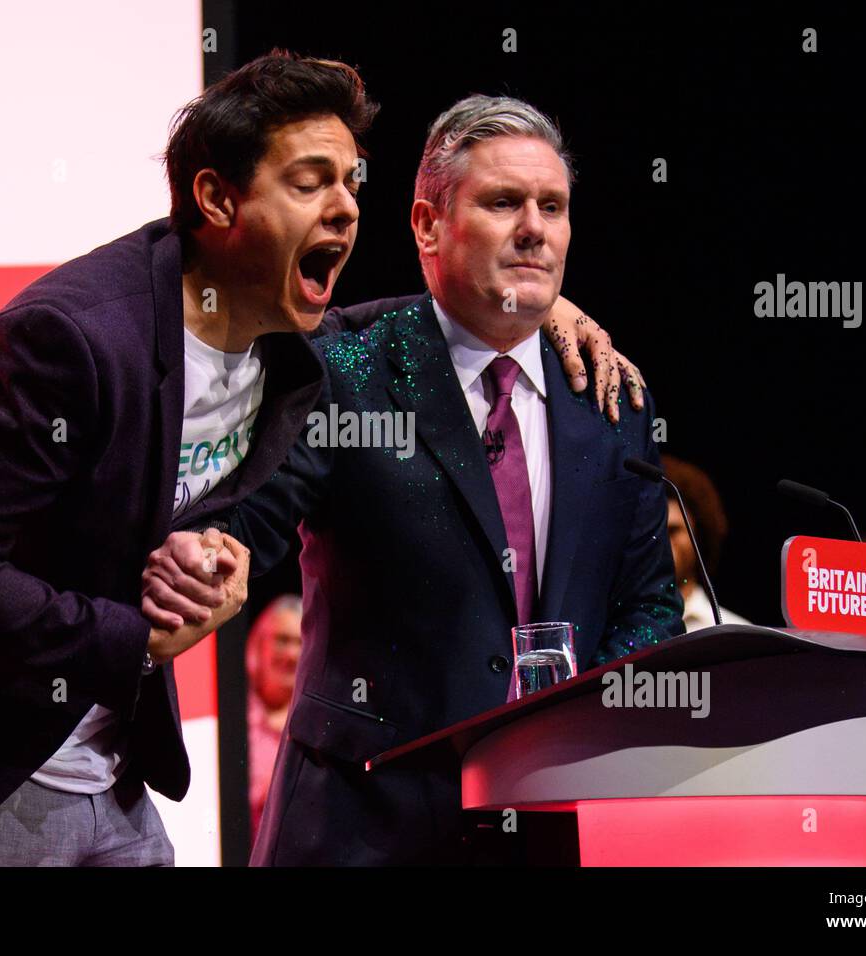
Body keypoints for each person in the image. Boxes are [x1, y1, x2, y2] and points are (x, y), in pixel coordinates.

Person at [0, 53, 633, 867]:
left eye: (349, 182)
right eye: (309, 183)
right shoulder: (71, 339)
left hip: (106, 770)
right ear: (218, 200)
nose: (344, 207)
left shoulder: (292, 344)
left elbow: (430, 333)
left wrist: (541, 308)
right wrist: (135, 640)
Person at [144, 94, 684, 865]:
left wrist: (576, 723)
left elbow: (650, 607)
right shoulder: (344, 368)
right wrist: (209, 552)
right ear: (428, 225)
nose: (535, 227)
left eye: (553, 206)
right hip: (359, 828)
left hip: (541, 830)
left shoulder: (609, 398)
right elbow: (252, 516)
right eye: (504, 202)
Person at [660, 454, 751, 631]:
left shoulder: (735, 632)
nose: (662, 543)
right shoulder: (615, 630)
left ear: (698, 535)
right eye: (655, 533)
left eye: (673, 530)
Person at [245, 596, 303, 841]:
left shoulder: (316, 722)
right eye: (282, 640)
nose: (291, 654)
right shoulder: (235, 715)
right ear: (260, 644)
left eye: (301, 643)